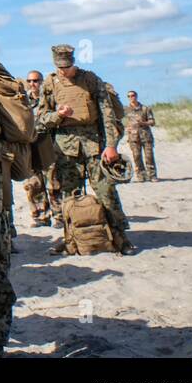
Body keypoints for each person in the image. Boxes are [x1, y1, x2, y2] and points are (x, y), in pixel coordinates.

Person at [37, 45, 134, 255]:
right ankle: (71, 239)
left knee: (106, 192)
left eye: (67, 66)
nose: (64, 71)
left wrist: (110, 145)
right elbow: (41, 119)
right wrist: (58, 116)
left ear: (73, 62)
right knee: (68, 196)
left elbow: (107, 114)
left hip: (94, 145)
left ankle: (120, 238)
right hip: (65, 148)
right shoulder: (50, 84)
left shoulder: (90, 79)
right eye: (60, 67)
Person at [21, 70, 57, 226]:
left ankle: (59, 215)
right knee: (34, 183)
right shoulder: (23, 101)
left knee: (54, 181)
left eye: (35, 81)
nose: (32, 84)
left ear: (41, 82)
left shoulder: (49, 99)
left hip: (48, 142)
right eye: (29, 81)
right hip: (30, 144)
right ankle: (41, 215)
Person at [124, 90, 158, 182]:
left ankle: (152, 175)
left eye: (133, 95)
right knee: (137, 156)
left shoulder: (145, 108)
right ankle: (141, 176)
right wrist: (126, 127)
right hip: (133, 138)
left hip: (146, 136)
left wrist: (143, 123)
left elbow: (152, 122)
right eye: (129, 96)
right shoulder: (126, 110)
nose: (131, 97)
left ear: (136, 96)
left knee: (149, 156)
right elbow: (119, 120)